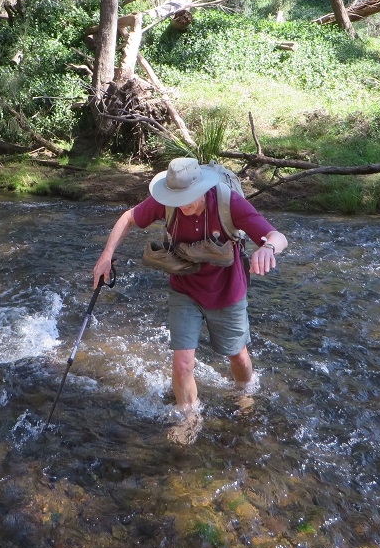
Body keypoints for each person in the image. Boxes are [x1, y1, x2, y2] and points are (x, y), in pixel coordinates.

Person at [93, 157, 287, 441]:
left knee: (237, 354)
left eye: (188, 198)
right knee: (182, 363)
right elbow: (129, 217)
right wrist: (106, 255)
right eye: (177, 198)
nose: (182, 205)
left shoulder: (229, 202)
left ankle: (244, 394)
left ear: (202, 189)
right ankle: (189, 419)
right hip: (184, 289)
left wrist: (268, 248)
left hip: (227, 291)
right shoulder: (167, 201)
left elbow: (277, 236)